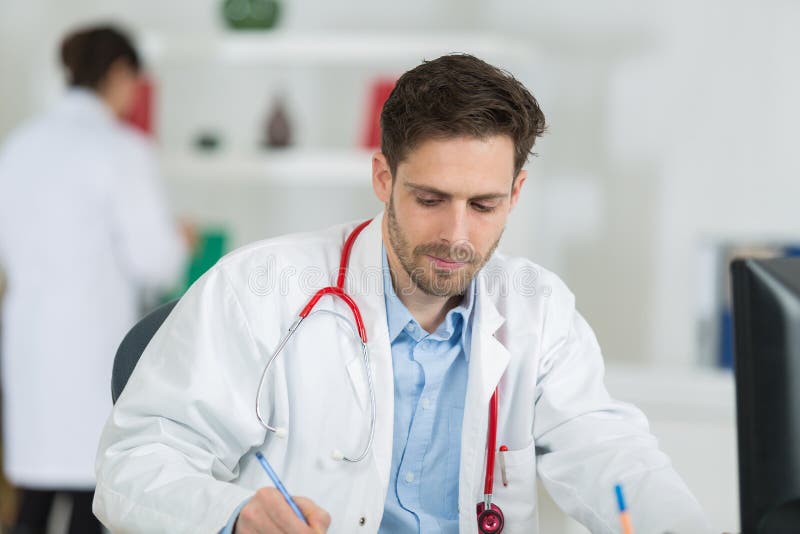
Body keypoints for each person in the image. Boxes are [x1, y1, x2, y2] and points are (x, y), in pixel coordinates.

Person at [93, 54, 712, 534]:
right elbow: (136, 463)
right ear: (384, 176)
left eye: (485, 205)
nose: (457, 235)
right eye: (431, 199)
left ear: (516, 193)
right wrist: (233, 514)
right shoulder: (258, 290)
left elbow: (612, 456)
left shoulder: (538, 310)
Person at [0, 24, 188, 534]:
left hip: (28, 340)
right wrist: (181, 241)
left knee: (33, 499)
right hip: (89, 339)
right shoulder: (121, 149)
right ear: (119, 74)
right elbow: (157, 260)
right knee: (94, 495)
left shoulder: (19, 146)